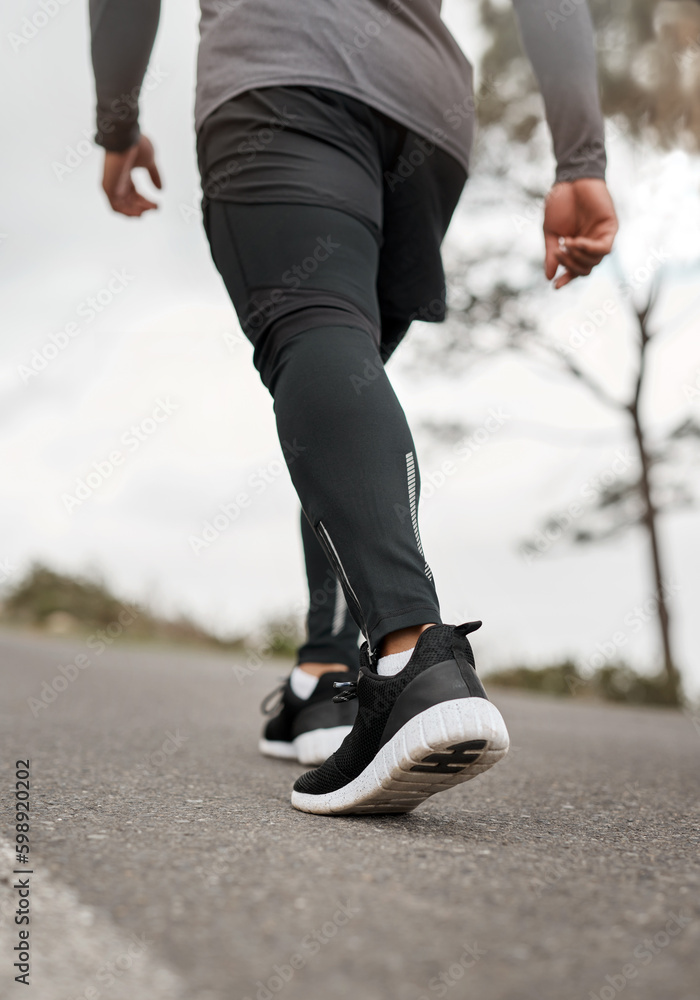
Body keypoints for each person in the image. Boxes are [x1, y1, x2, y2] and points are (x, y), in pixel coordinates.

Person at [89, 0, 618, 814]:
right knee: (345, 368)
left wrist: (117, 123)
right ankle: (326, 677)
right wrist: (580, 159)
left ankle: (413, 658)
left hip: (282, 73)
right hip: (425, 113)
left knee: (315, 336)